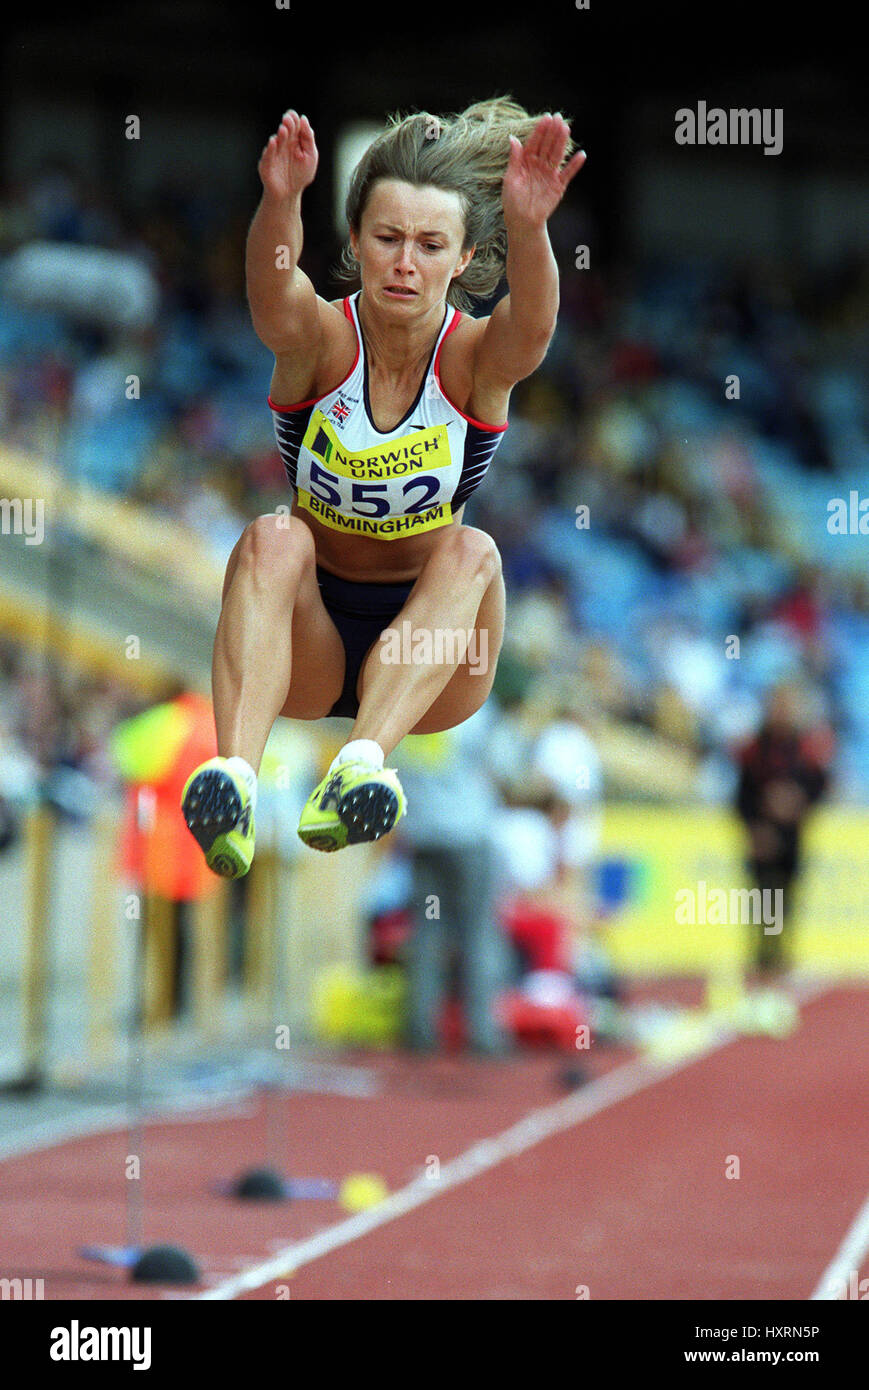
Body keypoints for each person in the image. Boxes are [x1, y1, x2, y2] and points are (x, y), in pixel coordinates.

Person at [181, 99, 586, 876]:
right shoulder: (321, 340)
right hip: (308, 646)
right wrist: (280, 200)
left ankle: (359, 767)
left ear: (463, 258)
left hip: (433, 658)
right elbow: (271, 294)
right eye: (388, 238)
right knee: (273, 535)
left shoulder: (472, 362)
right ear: (357, 244)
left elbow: (532, 329)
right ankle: (233, 781)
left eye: (430, 245)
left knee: (472, 549)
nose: (406, 262)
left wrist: (530, 227)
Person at [733, 682, 833, 977]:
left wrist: (797, 802)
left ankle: (781, 956)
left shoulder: (804, 747)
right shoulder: (754, 748)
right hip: (761, 838)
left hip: (791, 840)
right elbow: (741, 796)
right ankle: (761, 958)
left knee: (786, 900)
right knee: (762, 901)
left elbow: (820, 786)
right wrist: (754, 828)